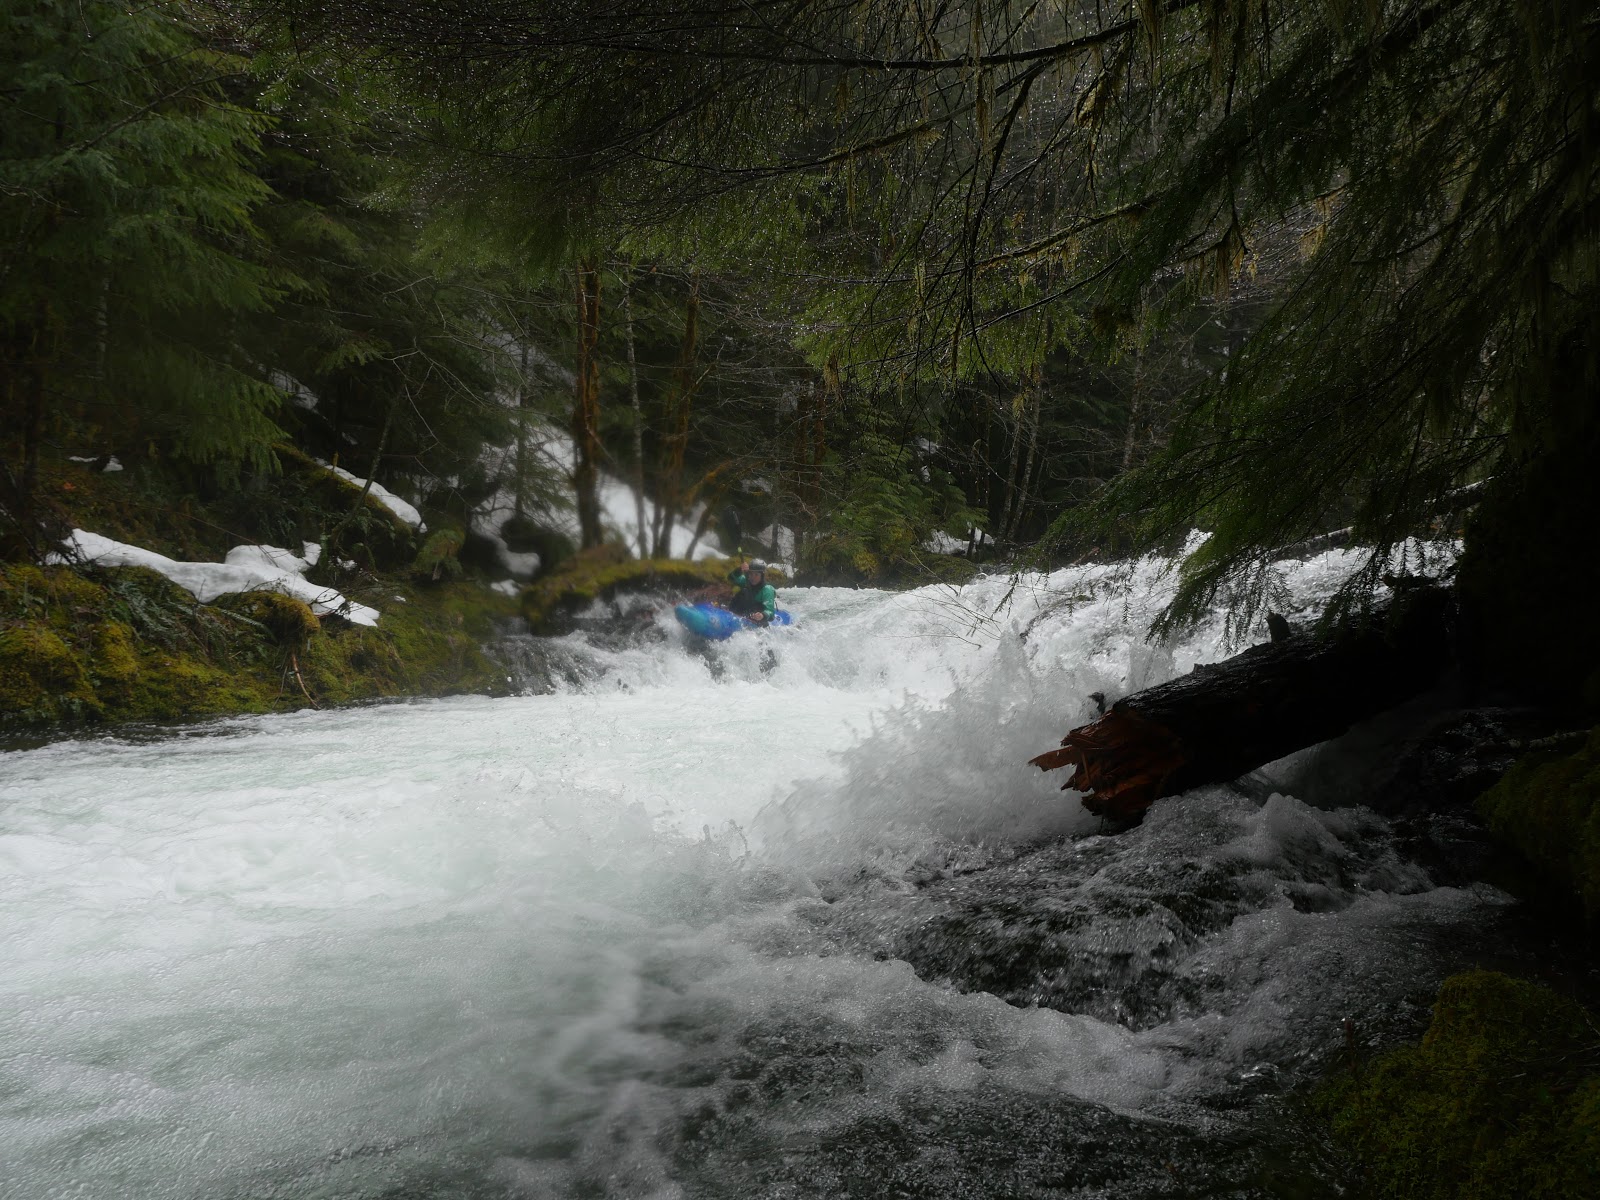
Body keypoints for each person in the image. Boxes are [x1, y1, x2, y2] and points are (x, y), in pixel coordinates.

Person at [726, 558, 777, 625]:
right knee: (744, 592)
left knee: (745, 592)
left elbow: (770, 612)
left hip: (756, 620)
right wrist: (739, 570)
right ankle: (731, 612)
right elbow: (731, 578)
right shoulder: (746, 581)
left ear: (762, 575)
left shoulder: (767, 589)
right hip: (740, 614)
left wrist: (762, 615)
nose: (753, 577)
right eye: (751, 574)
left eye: (756, 575)